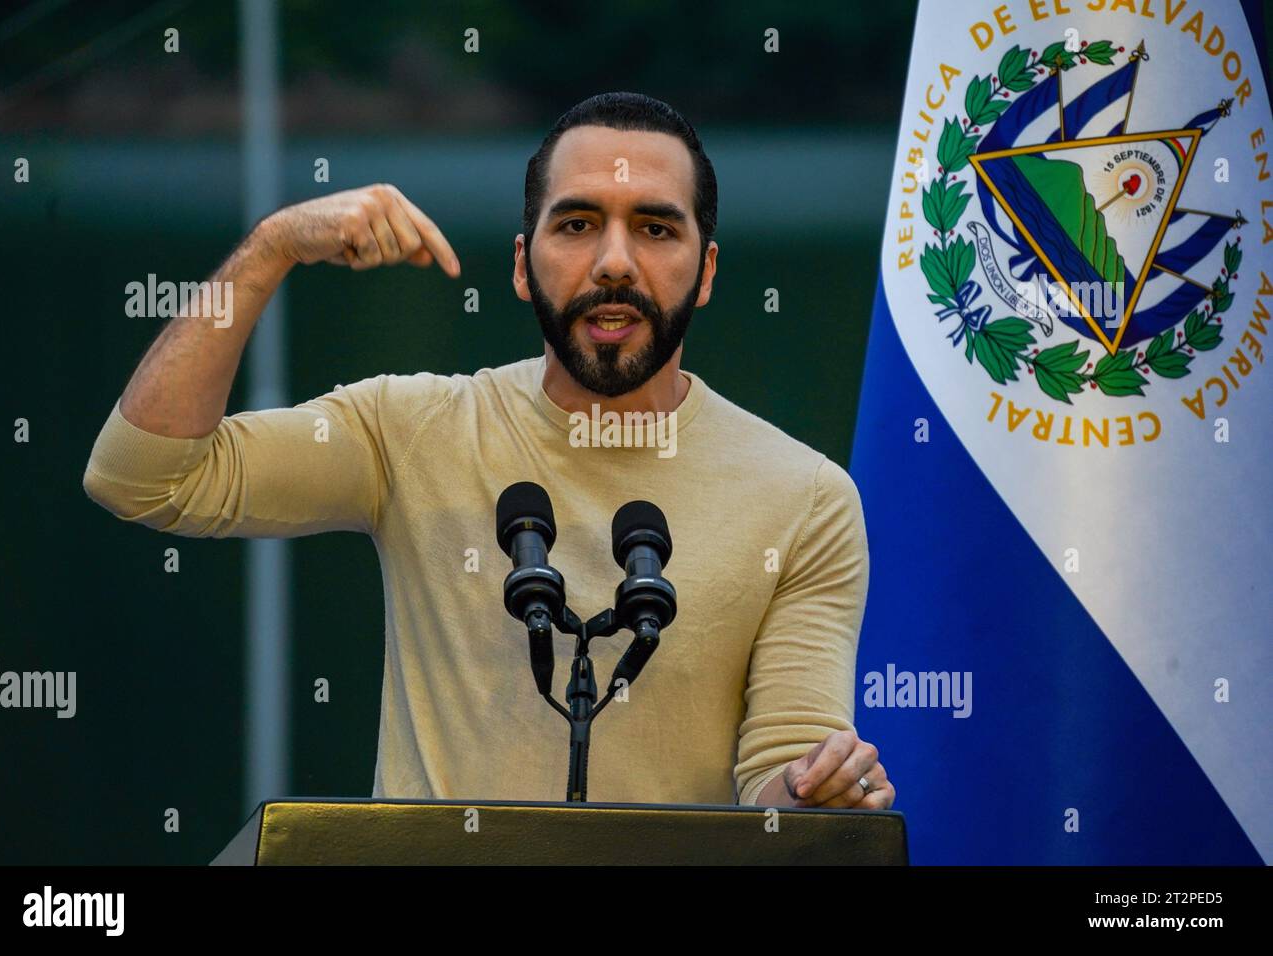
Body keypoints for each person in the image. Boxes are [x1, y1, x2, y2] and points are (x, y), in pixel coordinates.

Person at [83, 91, 894, 811]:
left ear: (706, 271)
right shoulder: (410, 429)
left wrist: (814, 791)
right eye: (577, 224)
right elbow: (146, 477)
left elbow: (782, 773)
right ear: (520, 264)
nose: (614, 263)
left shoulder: (805, 496)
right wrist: (271, 250)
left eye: (655, 227)